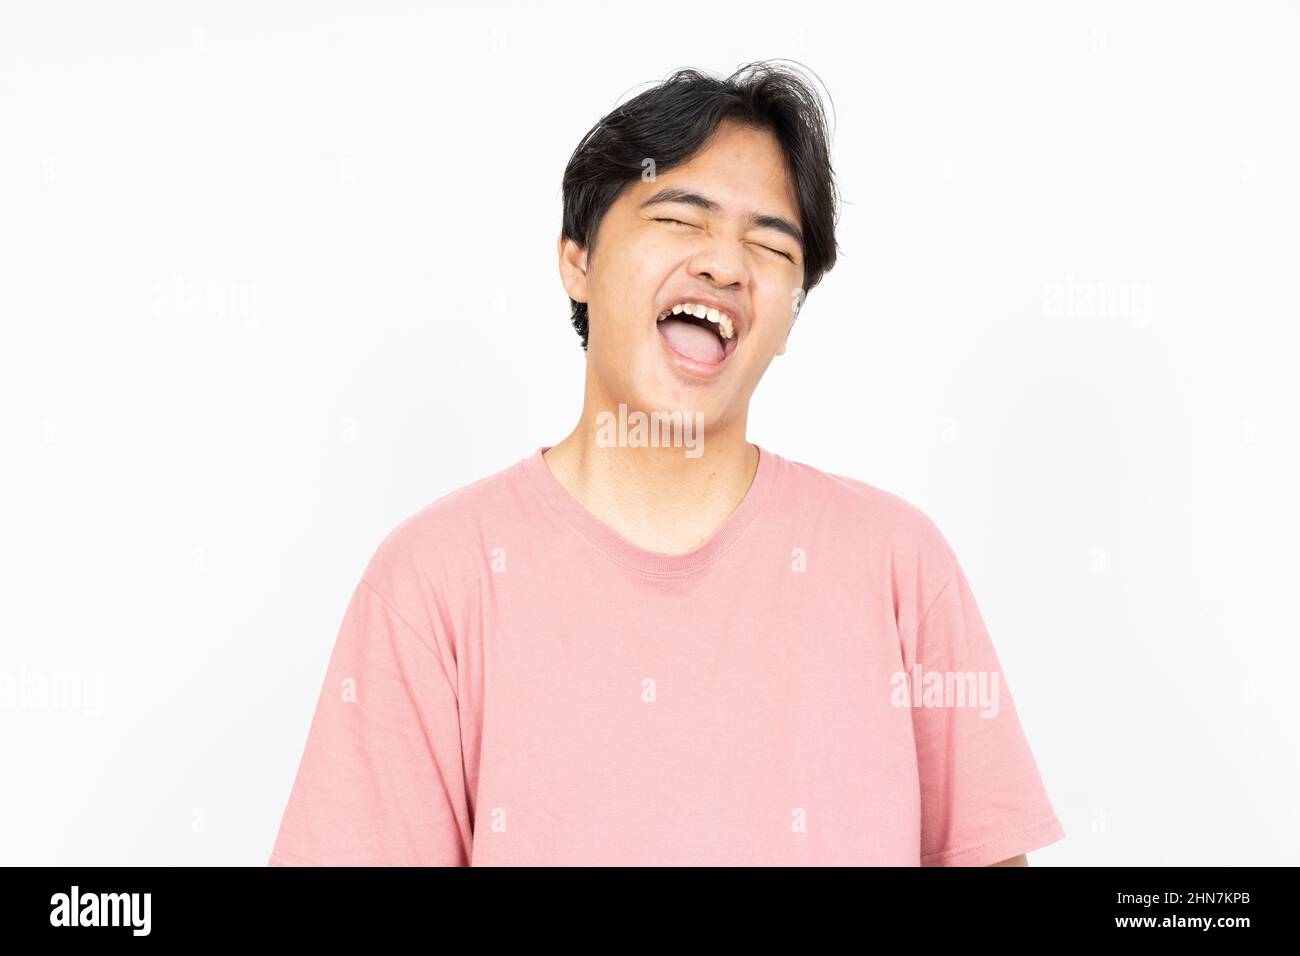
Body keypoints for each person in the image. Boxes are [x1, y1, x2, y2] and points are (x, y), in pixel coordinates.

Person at [268, 61, 1065, 867]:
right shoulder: (433, 583)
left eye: (768, 243)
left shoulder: (899, 565)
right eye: (682, 220)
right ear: (577, 259)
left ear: (789, 317)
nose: (724, 264)